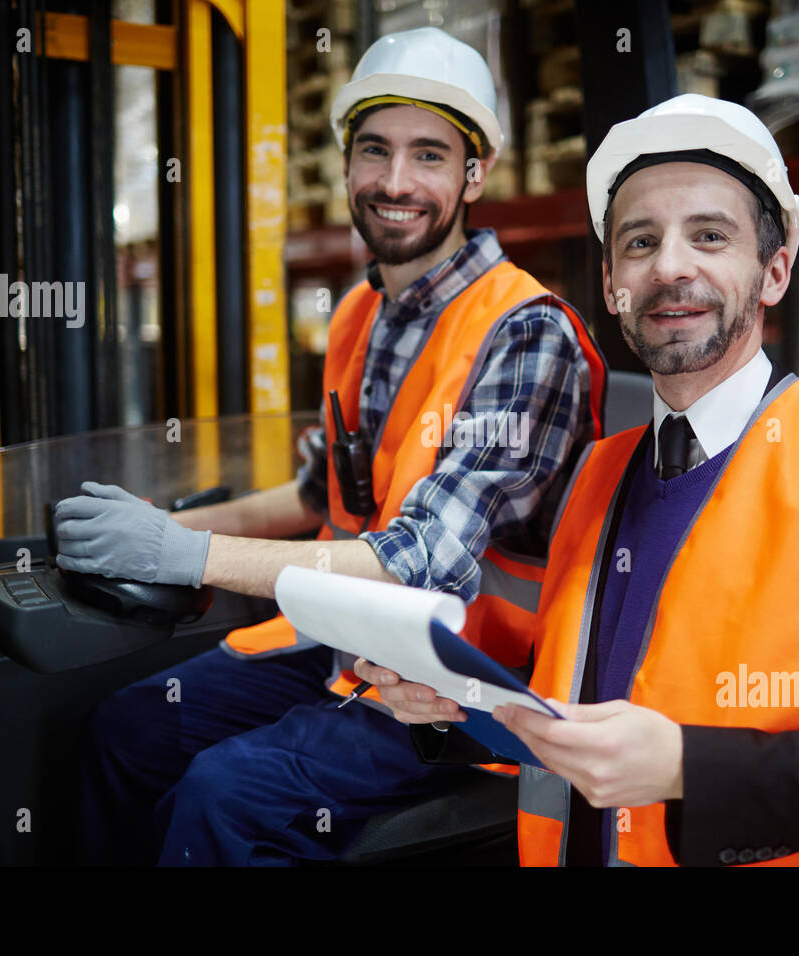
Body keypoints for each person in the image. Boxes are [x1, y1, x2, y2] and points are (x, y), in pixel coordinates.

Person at [358, 93, 799, 866]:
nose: (669, 266)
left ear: (773, 272)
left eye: (709, 235)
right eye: (639, 242)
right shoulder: (598, 475)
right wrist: (448, 707)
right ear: (611, 287)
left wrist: (683, 768)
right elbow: (571, 704)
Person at [56, 27, 606, 865]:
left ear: (473, 174)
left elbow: (417, 559)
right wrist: (165, 522)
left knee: (226, 796)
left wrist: (186, 552)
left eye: (429, 155)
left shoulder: (525, 335)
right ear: (347, 162)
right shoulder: (363, 313)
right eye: (374, 150)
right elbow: (321, 496)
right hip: (347, 649)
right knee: (127, 729)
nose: (395, 181)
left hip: (462, 689)